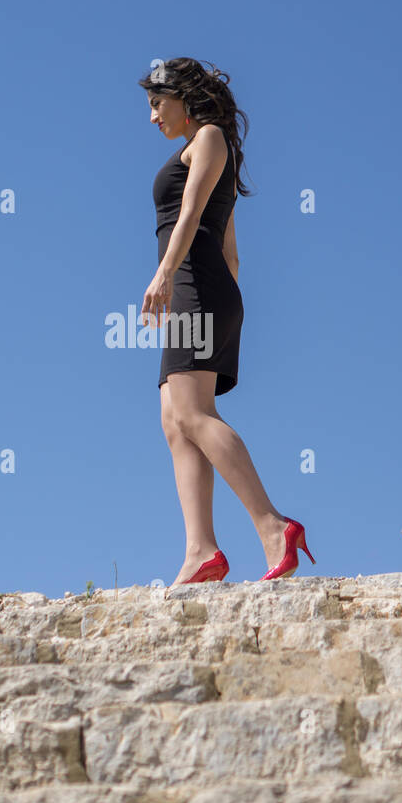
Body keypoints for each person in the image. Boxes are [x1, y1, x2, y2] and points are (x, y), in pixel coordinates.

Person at [138, 56, 316, 586]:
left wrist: (165, 275)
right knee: (175, 421)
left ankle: (272, 526)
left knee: (193, 414)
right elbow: (232, 249)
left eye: (156, 104)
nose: (152, 117)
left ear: (183, 97)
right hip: (203, 291)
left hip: (195, 287)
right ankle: (201, 551)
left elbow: (192, 216)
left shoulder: (210, 137)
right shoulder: (203, 150)